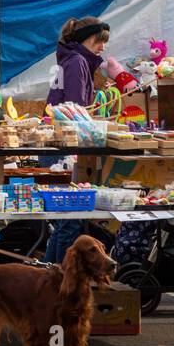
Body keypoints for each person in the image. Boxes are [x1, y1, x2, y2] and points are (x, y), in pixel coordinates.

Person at [44, 16, 110, 264]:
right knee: (69, 219)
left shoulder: (73, 60)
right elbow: (74, 108)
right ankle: (60, 279)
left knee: (66, 219)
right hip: (66, 144)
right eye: (98, 41)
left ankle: (51, 274)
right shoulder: (78, 61)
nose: (102, 47)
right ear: (85, 39)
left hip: (59, 141)